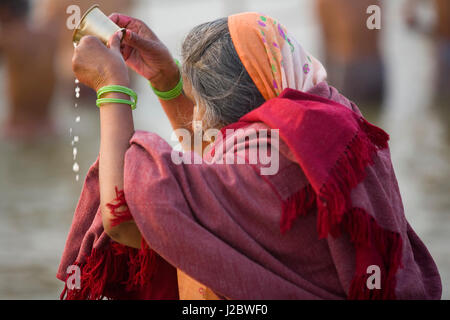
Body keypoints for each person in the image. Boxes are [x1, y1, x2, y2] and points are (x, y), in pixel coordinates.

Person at [57, 12, 441, 300]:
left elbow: (123, 217)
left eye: (197, 104)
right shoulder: (334, 121)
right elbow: (215, 168)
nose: (198, 121)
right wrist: (167, 80)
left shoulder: (261, 173)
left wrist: (112, 89)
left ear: (217, 115)